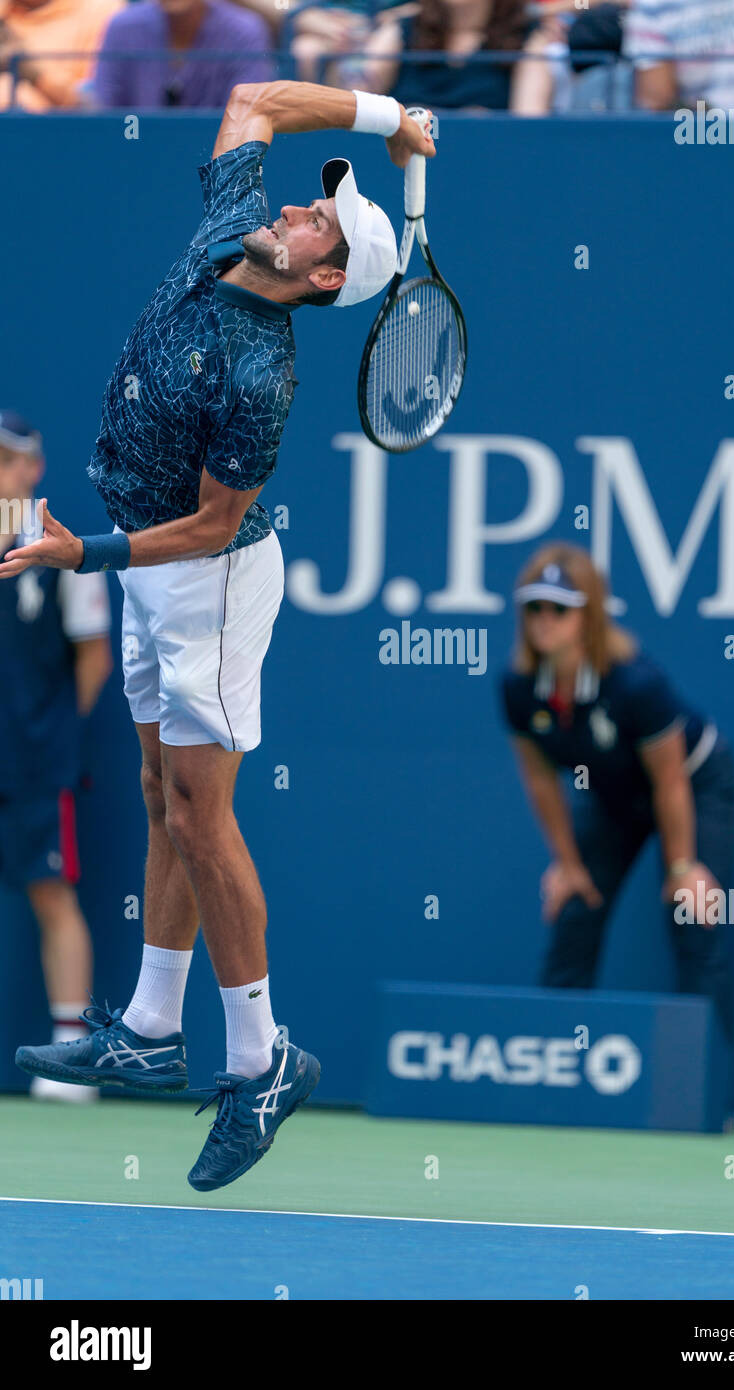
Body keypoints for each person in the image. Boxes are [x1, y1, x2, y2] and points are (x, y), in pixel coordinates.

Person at [6, 81, 435, 1191]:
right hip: (151, 569)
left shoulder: (263, 372)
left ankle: (260, 1054)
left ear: (323, 276)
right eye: (311, 200)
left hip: (207, 581)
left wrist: (79, 556)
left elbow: (210, 526)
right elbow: (255, 96)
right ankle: (151, 1024)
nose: (299, 207)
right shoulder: (226, 223)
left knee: (201, 813)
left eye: (319, 221)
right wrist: (383, 120)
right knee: (159, 792)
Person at [501, 544, 734, 1042]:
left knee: (691, 912)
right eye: (534, 607)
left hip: (693, 783)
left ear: (587, 616)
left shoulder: (636, 684)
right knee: (575, 905)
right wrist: (566, 863)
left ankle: (708, 1095)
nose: (545, 620)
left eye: (560, 608)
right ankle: (553, 1066)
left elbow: (670, 781)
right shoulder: (519, 686)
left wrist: (682, 869)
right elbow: (541, 779)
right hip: (614, 796)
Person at [0, 411, 112, 1101]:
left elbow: (95, 652)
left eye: (9, 459)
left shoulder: (59, 548)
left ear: (33, 469)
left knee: (52, 894)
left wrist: (53, 732)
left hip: (38, 762)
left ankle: (72, 1050)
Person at [92, 0, 275, 110]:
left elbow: (246, 116)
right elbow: (104, 112)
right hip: (133, 159)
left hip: (217, 163)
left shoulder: (244, 30)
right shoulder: (122, 27)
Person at [358, 0, 533, 112]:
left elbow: (529, 123)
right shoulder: (400, 28)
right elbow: (358, 100)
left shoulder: (528, 35)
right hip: (402, 158)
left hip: (487, 154)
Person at [0, 0, 121, 111]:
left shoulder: (101, 10)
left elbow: (91, 104)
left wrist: (31, 71)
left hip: (62, 129)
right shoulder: (4, 11)